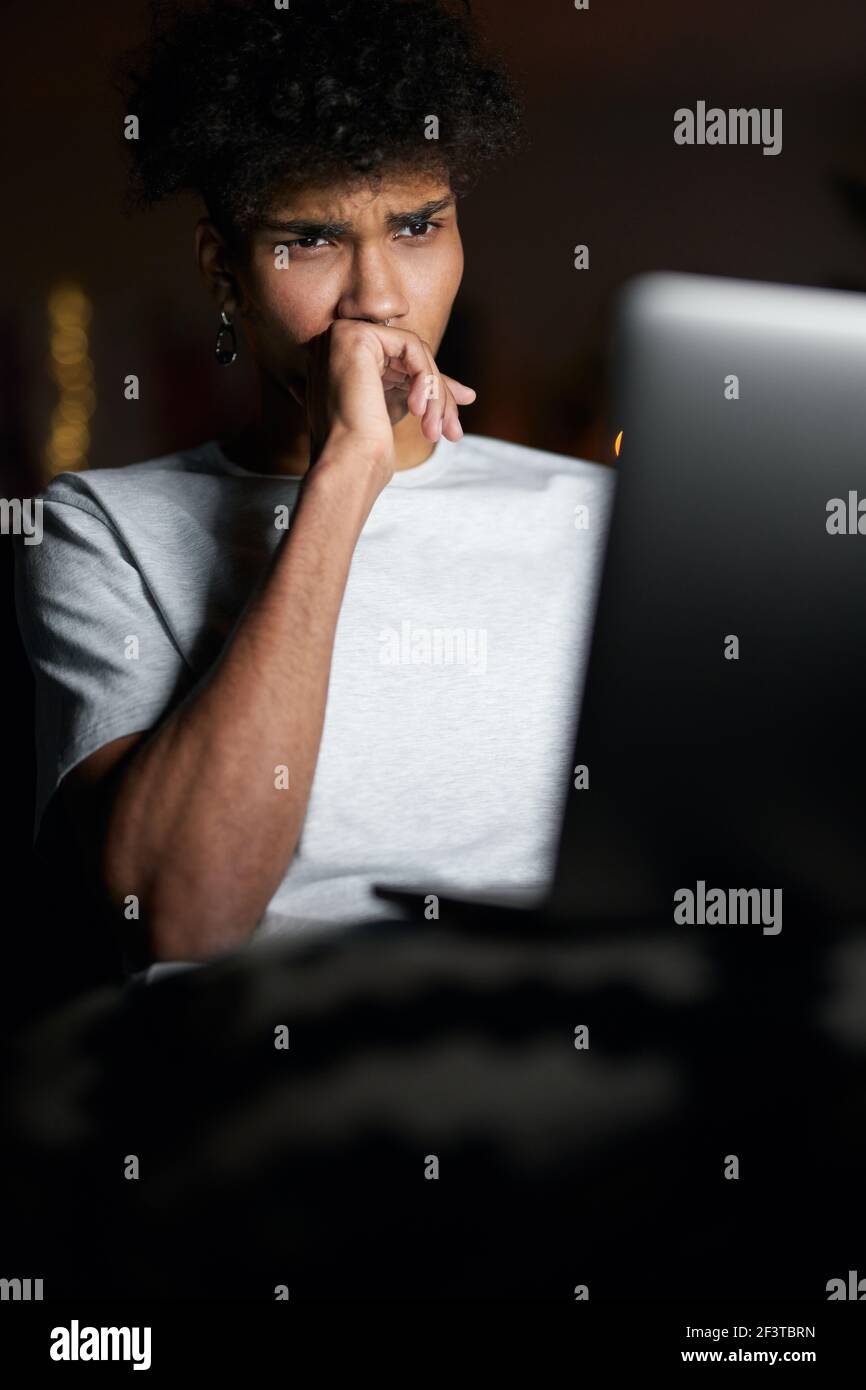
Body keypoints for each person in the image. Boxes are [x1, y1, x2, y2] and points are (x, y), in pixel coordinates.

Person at [13, 0, 616, 974]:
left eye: (418, 226)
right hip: (275, 1059)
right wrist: (342, 477)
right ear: (225, 272)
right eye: (313, 240)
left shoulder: (596, 517)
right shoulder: (101, 528)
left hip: (568, 1032)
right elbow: (182, 915)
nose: (378, 297)